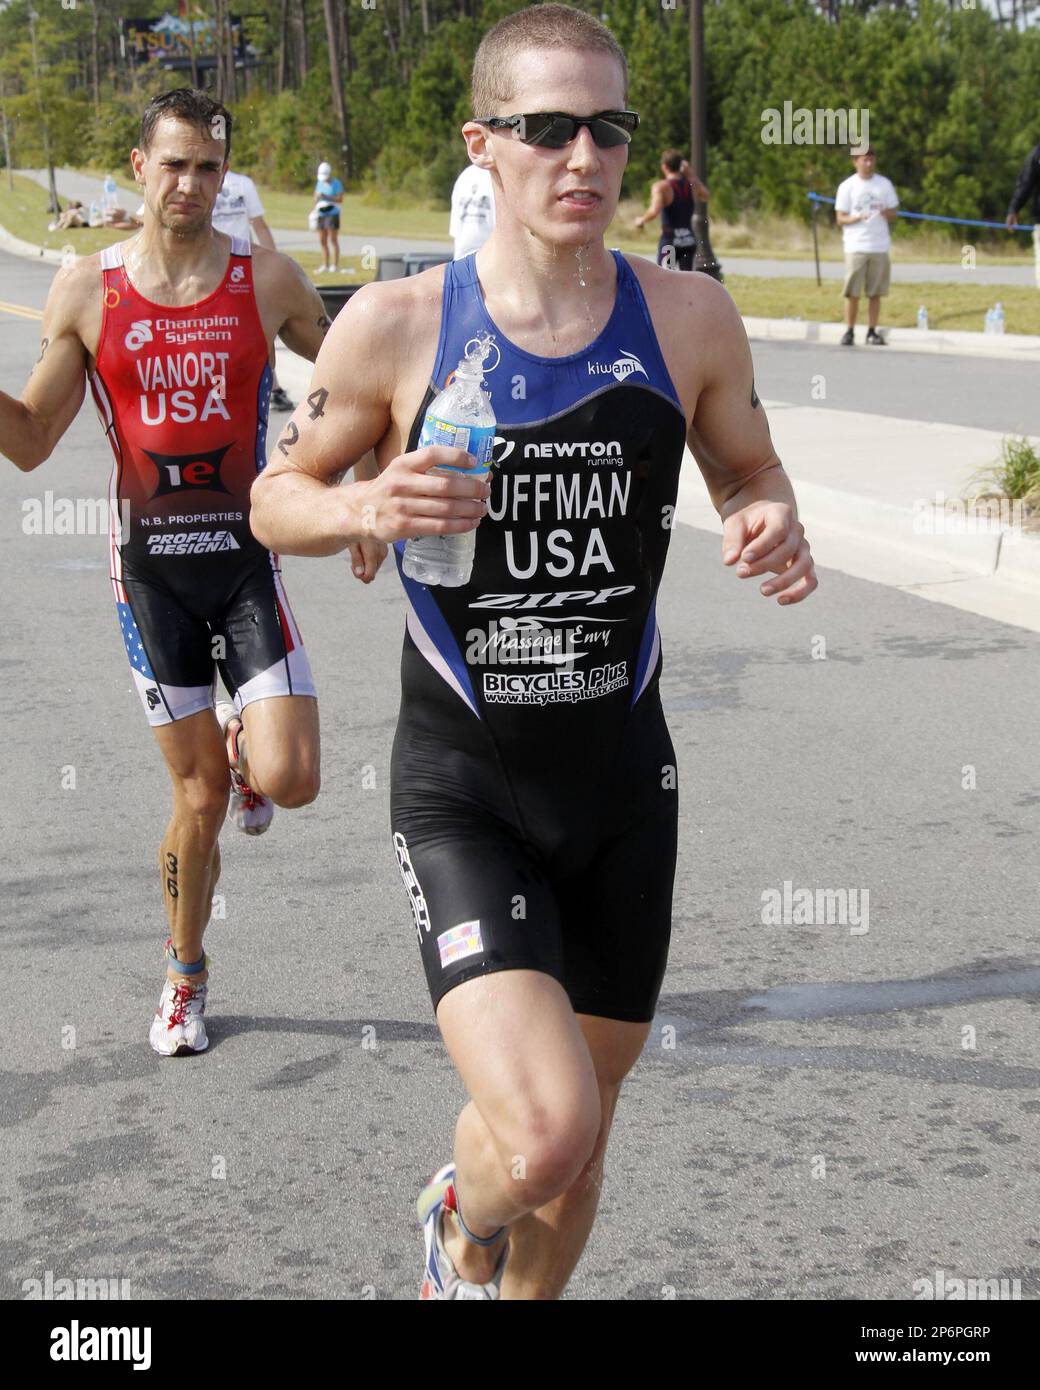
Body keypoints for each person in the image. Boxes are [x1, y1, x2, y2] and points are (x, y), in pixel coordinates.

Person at [251, 1, 817, 1301]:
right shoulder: (395, 326)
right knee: (546, 1128)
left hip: (624, 785)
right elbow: (276, 501)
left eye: (607, 128)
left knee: (580, 1134)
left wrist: (769, 516)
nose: (585, 157)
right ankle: (459, 1222)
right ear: (483, 145)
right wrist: (367, 506)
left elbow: (751, 469)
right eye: (548, 127)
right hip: (467, 787)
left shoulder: (688, 319)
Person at [0, 88, 384, 1058]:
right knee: (200, 800)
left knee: (290, 779)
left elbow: (363, 378)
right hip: (151, 580)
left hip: (247, 563)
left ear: (226, 174)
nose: (190, 184)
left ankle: (246, 741)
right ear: (137, 168)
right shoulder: (88, 290)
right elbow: (35, 438)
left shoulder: (268, 281)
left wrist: (369, 488)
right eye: (173, 164)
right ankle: (185, 971)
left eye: (208, 167)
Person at [834, 145, 898, 346]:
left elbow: (894, 213)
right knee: (852, 292)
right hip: (856, 246)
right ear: (855, 161)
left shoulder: (884, 185)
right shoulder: (847, 186)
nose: (868, 163)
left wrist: (884, 212)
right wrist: (857, 217)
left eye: (871, 159)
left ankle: (871, 331)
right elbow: (840, 218)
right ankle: (849, 330)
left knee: (875, 292)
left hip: (879, 246)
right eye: (864, 159)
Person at [634, 149, 708, 271]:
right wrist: (690, 174)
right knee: (687, 280)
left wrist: (641, 220)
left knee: (666, 279)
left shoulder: (662, 186)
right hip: (688, 240)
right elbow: (706, 195)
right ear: (681, 166)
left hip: (670, 242)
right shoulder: (692, 185)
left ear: (664, 167)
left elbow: (654, 211)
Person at [1005, 139, 1040, 289]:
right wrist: (1014, 209)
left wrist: (1014, 209)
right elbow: (1025, 184)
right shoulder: (1037, 155)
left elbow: (1025, 185)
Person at [450, 162, 496, 259]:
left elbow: (455, 230)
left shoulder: (465, 176)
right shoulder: (500, 176)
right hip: (490, 265)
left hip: (462, 264)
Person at [313, 161, 344, 274]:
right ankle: (325, 265)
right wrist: (316, 201)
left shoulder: (336, 184)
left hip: (332, 213)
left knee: (333, 239)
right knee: (322, 240)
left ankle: (334, 265)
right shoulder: (319, 183)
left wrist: (326, 197)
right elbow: (315, 196)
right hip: (321, 213)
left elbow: (340, 199)